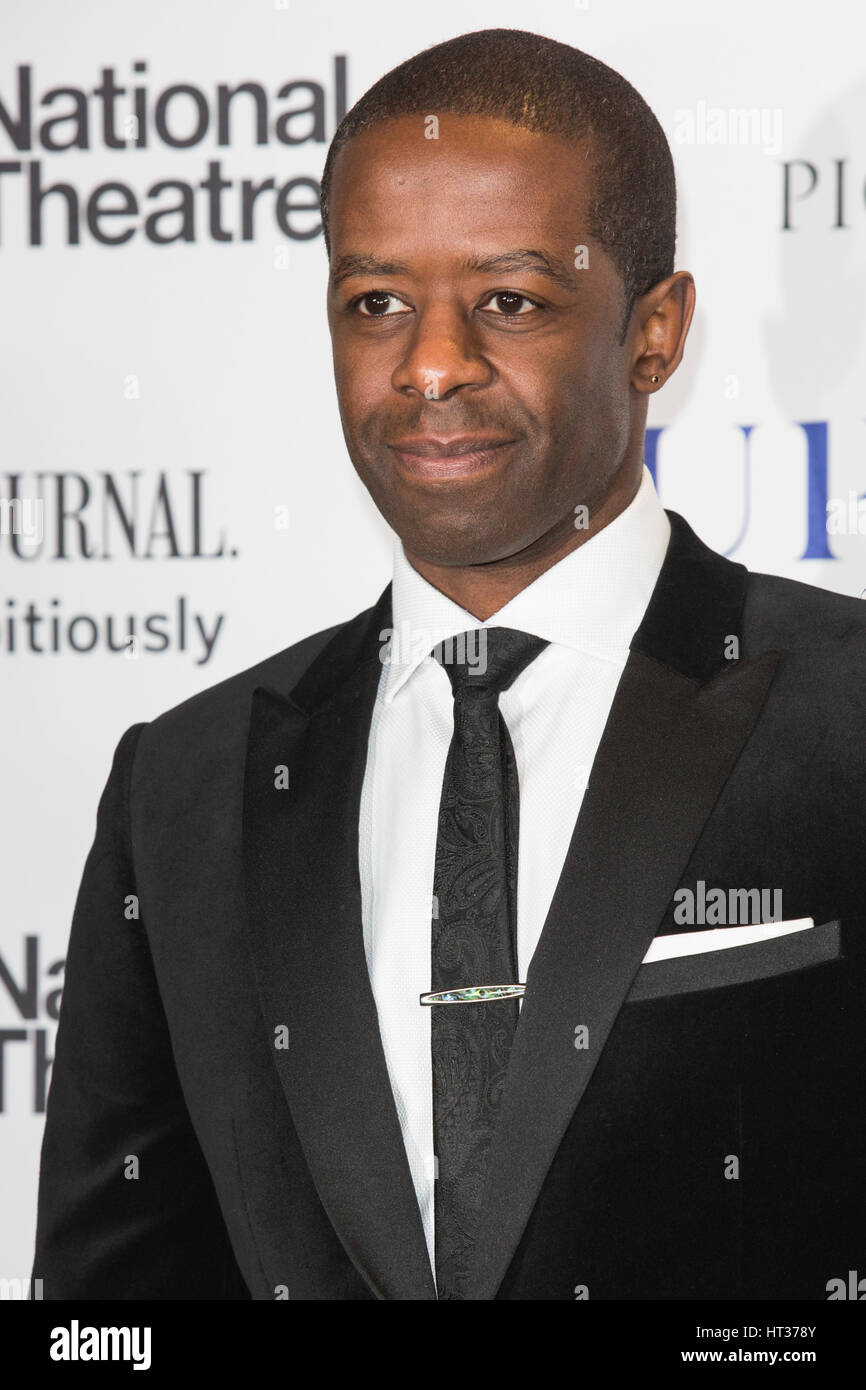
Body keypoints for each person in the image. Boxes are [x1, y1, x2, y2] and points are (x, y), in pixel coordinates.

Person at [32, 27, 866, 1301]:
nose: (429, 365)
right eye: (376, 303)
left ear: (654, 331)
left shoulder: (843, 712)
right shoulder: (183, 791)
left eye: (509, 301)